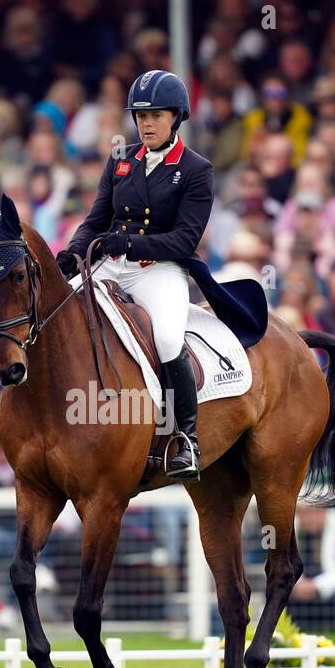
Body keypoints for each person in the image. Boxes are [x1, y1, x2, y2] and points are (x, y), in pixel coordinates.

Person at [56, 70, 212, 479]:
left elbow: (184, 240)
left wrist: (132, 245)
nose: (146, 124)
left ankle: (186, 439)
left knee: (164, 338)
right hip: (110, 264)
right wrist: (73, 255)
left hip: (158, 271)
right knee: (58, 314)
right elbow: (95, 221)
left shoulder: (195, 170)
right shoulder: (121, 160)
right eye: (140, 115)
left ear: (176, 117)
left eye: (155, 115)